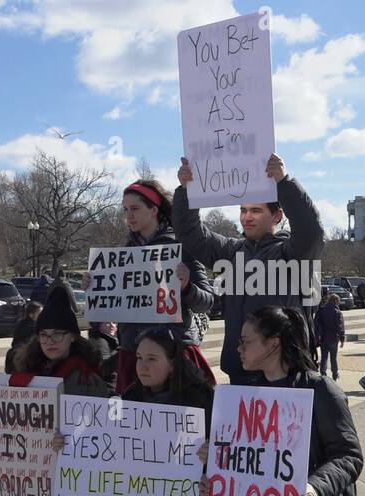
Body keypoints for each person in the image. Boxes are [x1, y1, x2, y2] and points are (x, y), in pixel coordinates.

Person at [217, 306, 365, 496]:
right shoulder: (247, 395)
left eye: (246, 341)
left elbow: (349, 455)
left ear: (273, 344)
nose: (238, 349)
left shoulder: (320, 389)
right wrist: (215, 462)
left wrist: (314, 488)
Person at [174, 154, 324, 385]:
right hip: (239, 371)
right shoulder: (232, 252)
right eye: (243, 210)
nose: (247, 217)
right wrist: (186, 191)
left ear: (277, 215)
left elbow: (311, 231)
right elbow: (191, 234)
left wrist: (284, 182)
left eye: (256, 210)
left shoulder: (292, 254)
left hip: (283, 376)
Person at [6, 285, 114, 496]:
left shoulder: (88, 377)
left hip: (75, 487)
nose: (49, 340)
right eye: (43, 335)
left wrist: (72, 440)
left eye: (57, 334)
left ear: (73, 337)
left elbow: (105, 432)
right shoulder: (26, 373)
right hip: (34, 486)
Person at [98, 327, 215, 496]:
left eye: (152, 359)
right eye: (139, 358)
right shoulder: (129, 399)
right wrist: (69, 442)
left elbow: (227, 457)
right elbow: (104, 450)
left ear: (173, 364)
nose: (142, 366)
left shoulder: (203, 401)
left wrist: (212, 461)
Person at [115, 179, 216, 395]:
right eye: (125, 210)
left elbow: (206, 303)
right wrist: (95, 289)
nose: (128, 216)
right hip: (134, 354)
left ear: (153, 209)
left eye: (135, 208)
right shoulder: (122, 255)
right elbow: (112, 310)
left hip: (174, 353)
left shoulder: (181, 246)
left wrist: (187, 286)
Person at [313, 293, 345, 380]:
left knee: (324, 357)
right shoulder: (338, 313)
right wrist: (342, 339)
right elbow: (340, 327)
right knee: (333, 358)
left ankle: (323, 373)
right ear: (336, 302)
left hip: (323, 337)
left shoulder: (322, 310)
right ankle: (335, 374)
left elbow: (317, 323)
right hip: (334, 338)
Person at [5, 301, 42, 374]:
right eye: (40, 313)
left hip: (14, 358)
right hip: (24, 360)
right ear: (31, 315)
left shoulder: (21, 324)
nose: (43, 316)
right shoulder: (34, 329)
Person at [87, 321, 119, 396]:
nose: (112, 326)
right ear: (98, 324)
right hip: (107, 391)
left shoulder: (107, 340)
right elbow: (105, 368)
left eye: (114, 322)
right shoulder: (100, 342)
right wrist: (119, 351)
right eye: (107, 322)